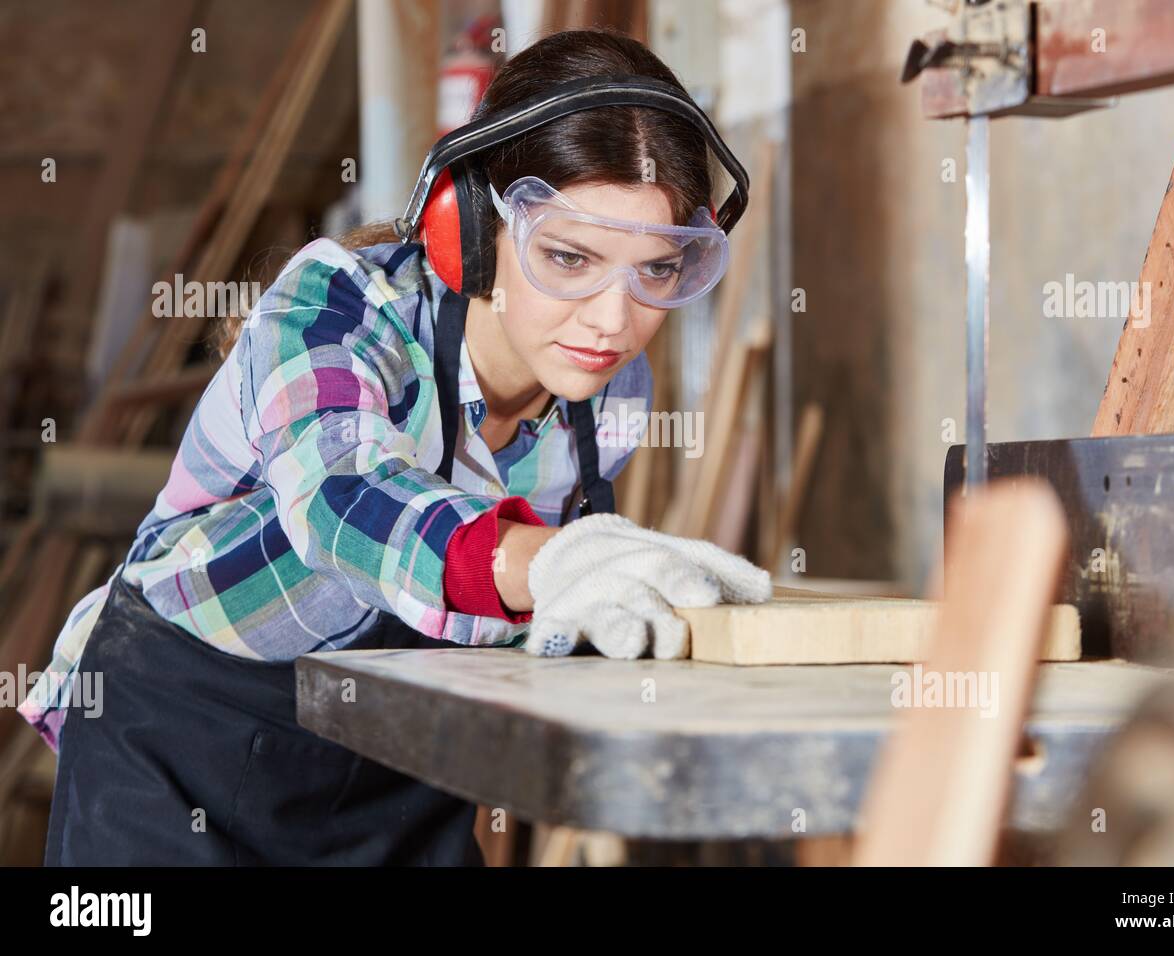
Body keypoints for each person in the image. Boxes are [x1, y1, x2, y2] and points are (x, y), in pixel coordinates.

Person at [23, 28, 770, 866]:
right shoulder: (332, 308)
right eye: (570, 258)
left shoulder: (611, 397)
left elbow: (508, 628)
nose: (614, 319)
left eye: (659, 269)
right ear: (476, 229)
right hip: (185, 734)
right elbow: (342, 503)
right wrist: (552, 562)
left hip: (394, 763)